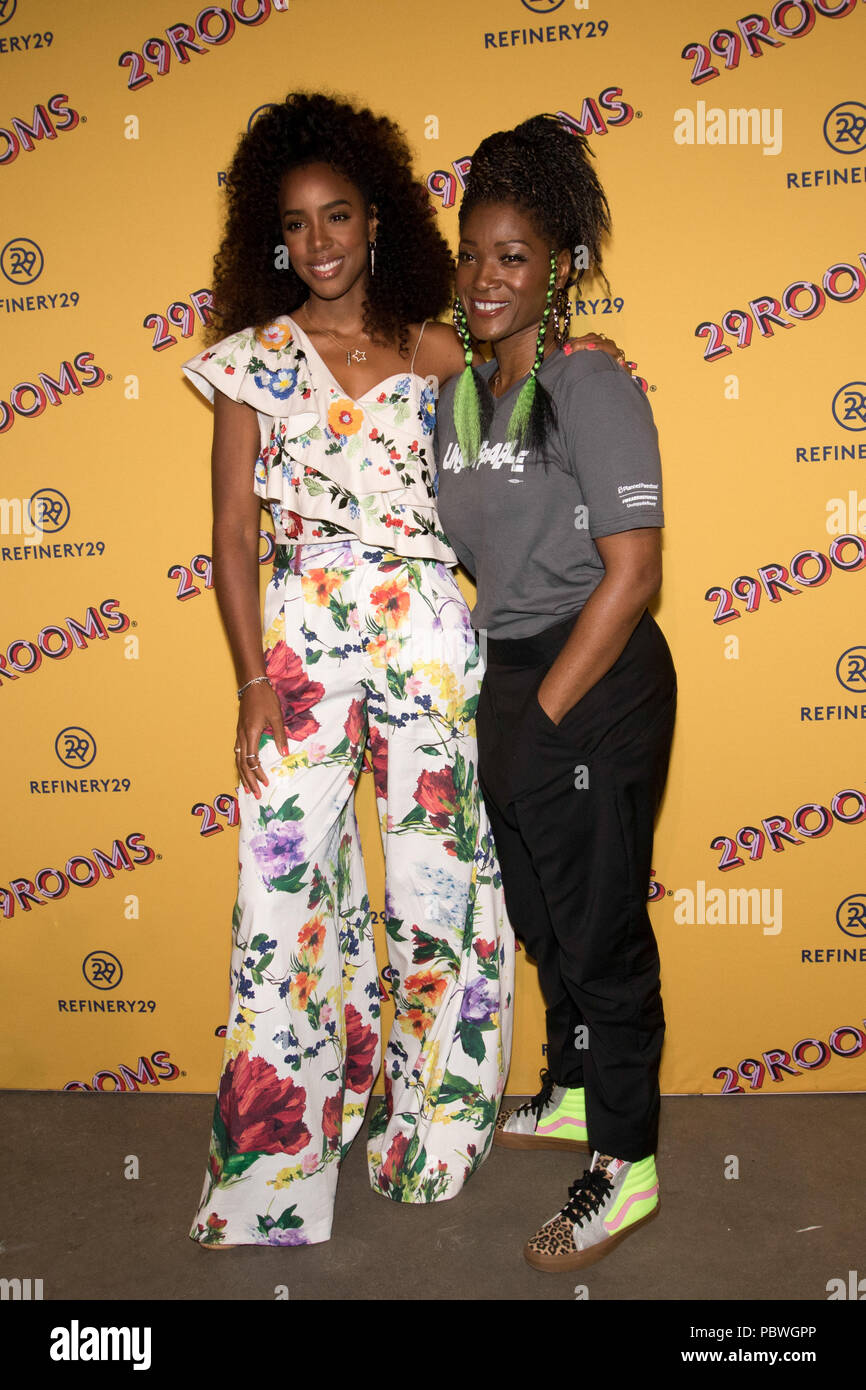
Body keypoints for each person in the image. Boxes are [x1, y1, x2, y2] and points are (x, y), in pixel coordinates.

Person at [180, 93, 515, 1248]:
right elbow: (229, 535)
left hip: (425, 626)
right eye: (296, 223)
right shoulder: (252, 366)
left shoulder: (435, 349)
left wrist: (572, 362)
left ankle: (427, 1137)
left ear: (375, 221)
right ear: (275, 238)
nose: (318, 242)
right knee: (280, 897)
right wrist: (249, 679)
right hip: (302, 637)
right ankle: (275, 1169)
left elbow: (513, 444)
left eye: (338, 217)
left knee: (436, 882)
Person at [435, 114, 677, 1273]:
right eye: (474, 252)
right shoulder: (464, 391)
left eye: (515, 255)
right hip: (514, 667)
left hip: (596, 671)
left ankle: (623, 1162)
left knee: (599, 927)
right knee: (541, 914)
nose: (487, 275)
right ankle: (576, 1091)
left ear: (560, 265)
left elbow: (631, 574)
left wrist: (539, 721)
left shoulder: (588, 383)